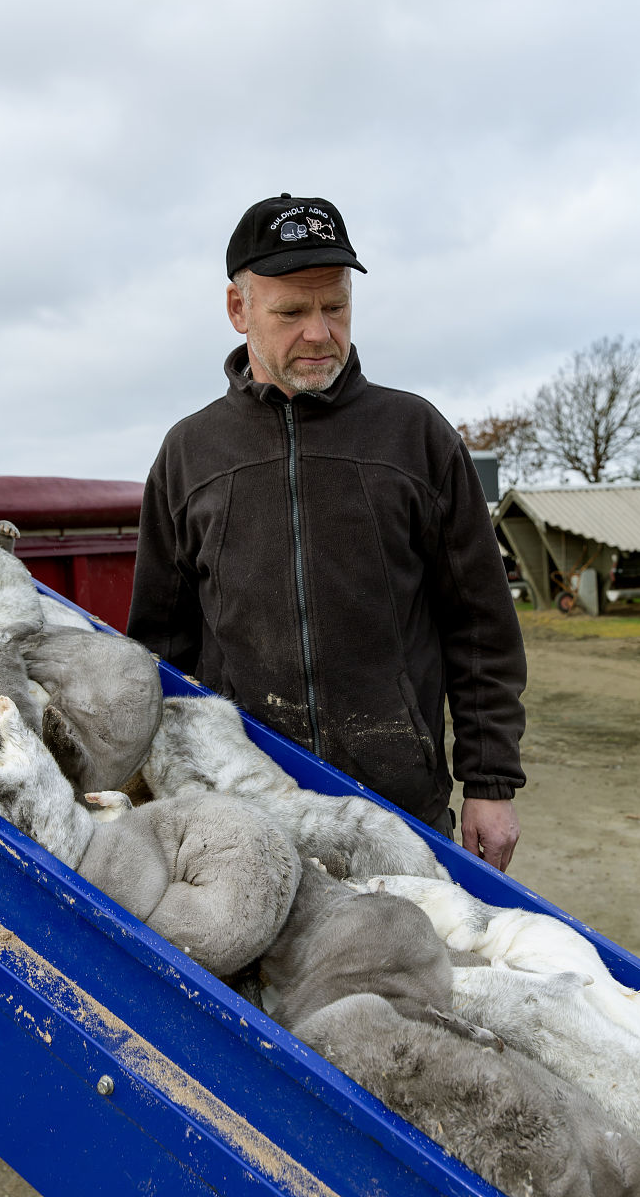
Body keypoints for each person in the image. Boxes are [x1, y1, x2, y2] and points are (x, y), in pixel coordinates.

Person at [127, 193, 527, 870]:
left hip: (399, 808)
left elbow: (480, 626)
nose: (319, 332)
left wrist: (489, 783)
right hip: (248, 813)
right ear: (238, 310)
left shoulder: (416, 438)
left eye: (335, 307)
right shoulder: (188, 456)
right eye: (291, 312)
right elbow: (161, 652)